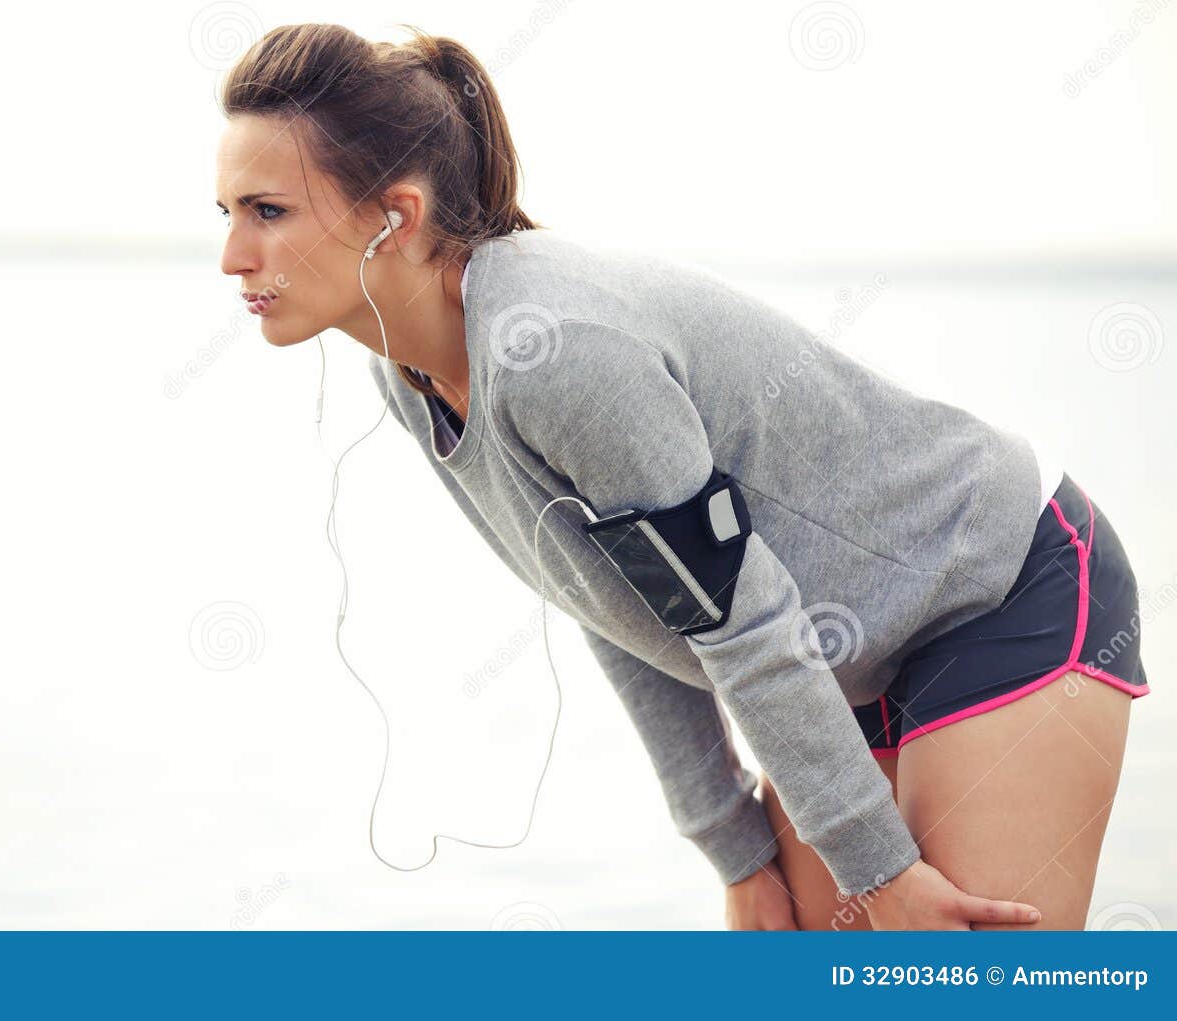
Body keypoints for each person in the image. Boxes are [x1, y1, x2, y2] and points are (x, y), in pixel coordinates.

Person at [214, 23, 1151, 930]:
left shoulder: (553, 352)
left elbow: (735, 617)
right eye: (228, 213)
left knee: (971, 984)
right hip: (835, 647)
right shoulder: (413, 368)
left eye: (268, 212)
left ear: (396, 217)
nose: (232, 258)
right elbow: (616, 602)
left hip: (993, 583)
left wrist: (881, 870)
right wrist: (737, 854)